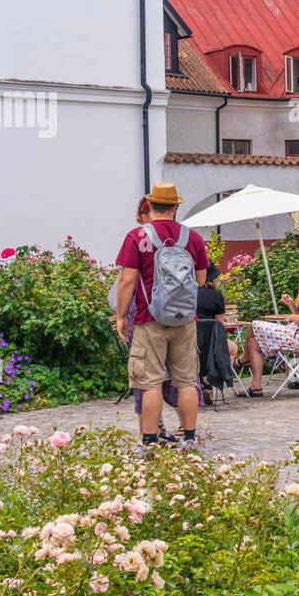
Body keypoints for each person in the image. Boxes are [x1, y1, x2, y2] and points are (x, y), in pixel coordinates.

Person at [114, 182, 209, 450]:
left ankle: (150, 442)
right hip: (185, 319)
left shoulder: (137, 236)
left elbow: (126, 281)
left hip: (148, 318)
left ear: (150, 205)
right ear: (175, 207)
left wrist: (121, 316)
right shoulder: (192, 237)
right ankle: (190, 438)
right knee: (187, 381)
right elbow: (201, 279)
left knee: (150, 382)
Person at [238, 259, 299, 395]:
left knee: (255, 324)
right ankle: (255, 387)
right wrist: (291, 305)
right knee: (253, 342)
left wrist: (291, 317)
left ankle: (243, 360)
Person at [196, 264, 241, 363]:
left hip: (187, 340)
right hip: (208, 342)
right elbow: (219, 327)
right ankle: (216, 374)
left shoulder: (186, 293)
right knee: (233, 349)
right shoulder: (217, 296)